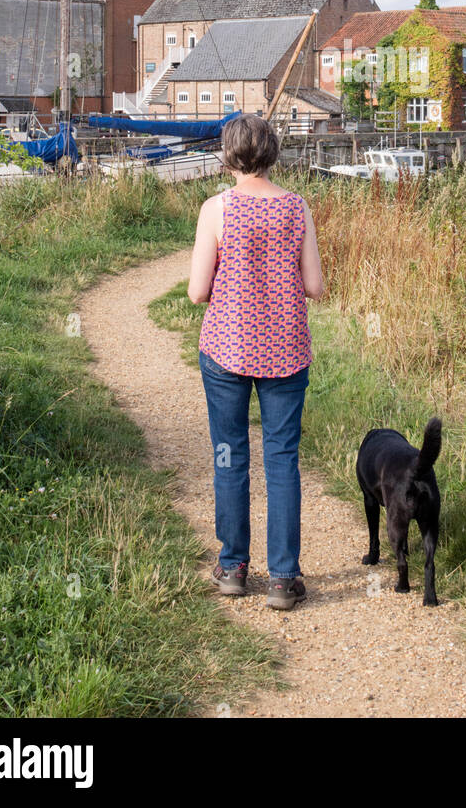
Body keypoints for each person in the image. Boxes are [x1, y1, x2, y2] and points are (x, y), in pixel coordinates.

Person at [188, 113, 324, 610]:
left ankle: (232, 567)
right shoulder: (297, 207)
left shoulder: (216, 209)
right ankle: (284, 579)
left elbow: (197, 291)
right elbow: (315, 286)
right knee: (282, 458)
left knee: (229, 454)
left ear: (229, 155)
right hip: (286, 350)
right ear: (271, 153)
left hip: (226, 349)